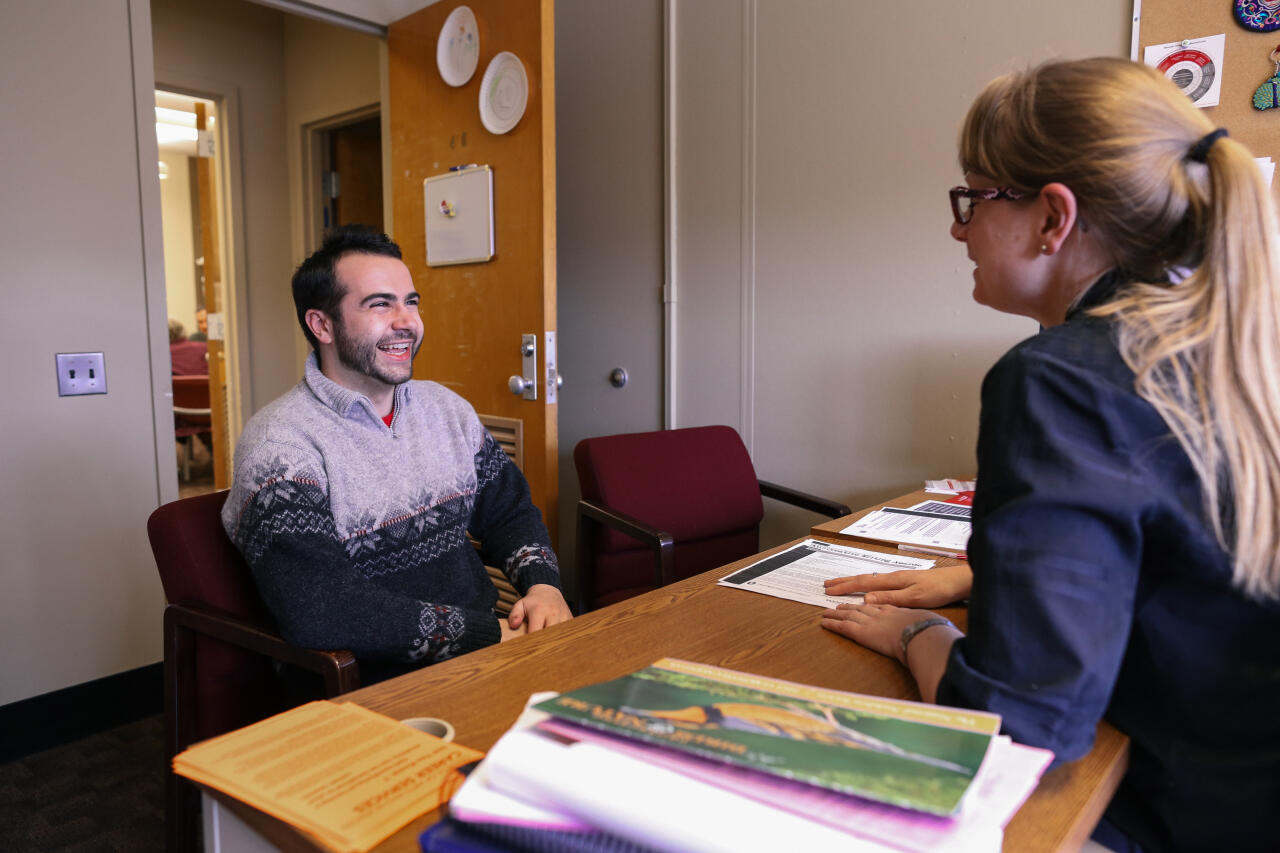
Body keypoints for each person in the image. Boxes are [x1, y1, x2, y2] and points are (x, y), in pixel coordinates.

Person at [820, 58, 1280, 852]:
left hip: (1158, 819)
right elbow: (1200, 554)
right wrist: (984, 575)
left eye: (974, 197)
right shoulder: (1234, 348)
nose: (958, 228)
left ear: (1052, 218)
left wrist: (914, 636)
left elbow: (1016, 730)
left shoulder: (1062, 377)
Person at [222, 225, 571, 682]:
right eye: (381, 303)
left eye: (411, 301)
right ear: (321, 324)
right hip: (368, 683)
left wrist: (543, 585)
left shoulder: (446, 409)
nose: (407, 321)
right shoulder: (280, 445)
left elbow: (508, 512)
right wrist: (490, 635)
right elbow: (321, 607)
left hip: (483, 653)